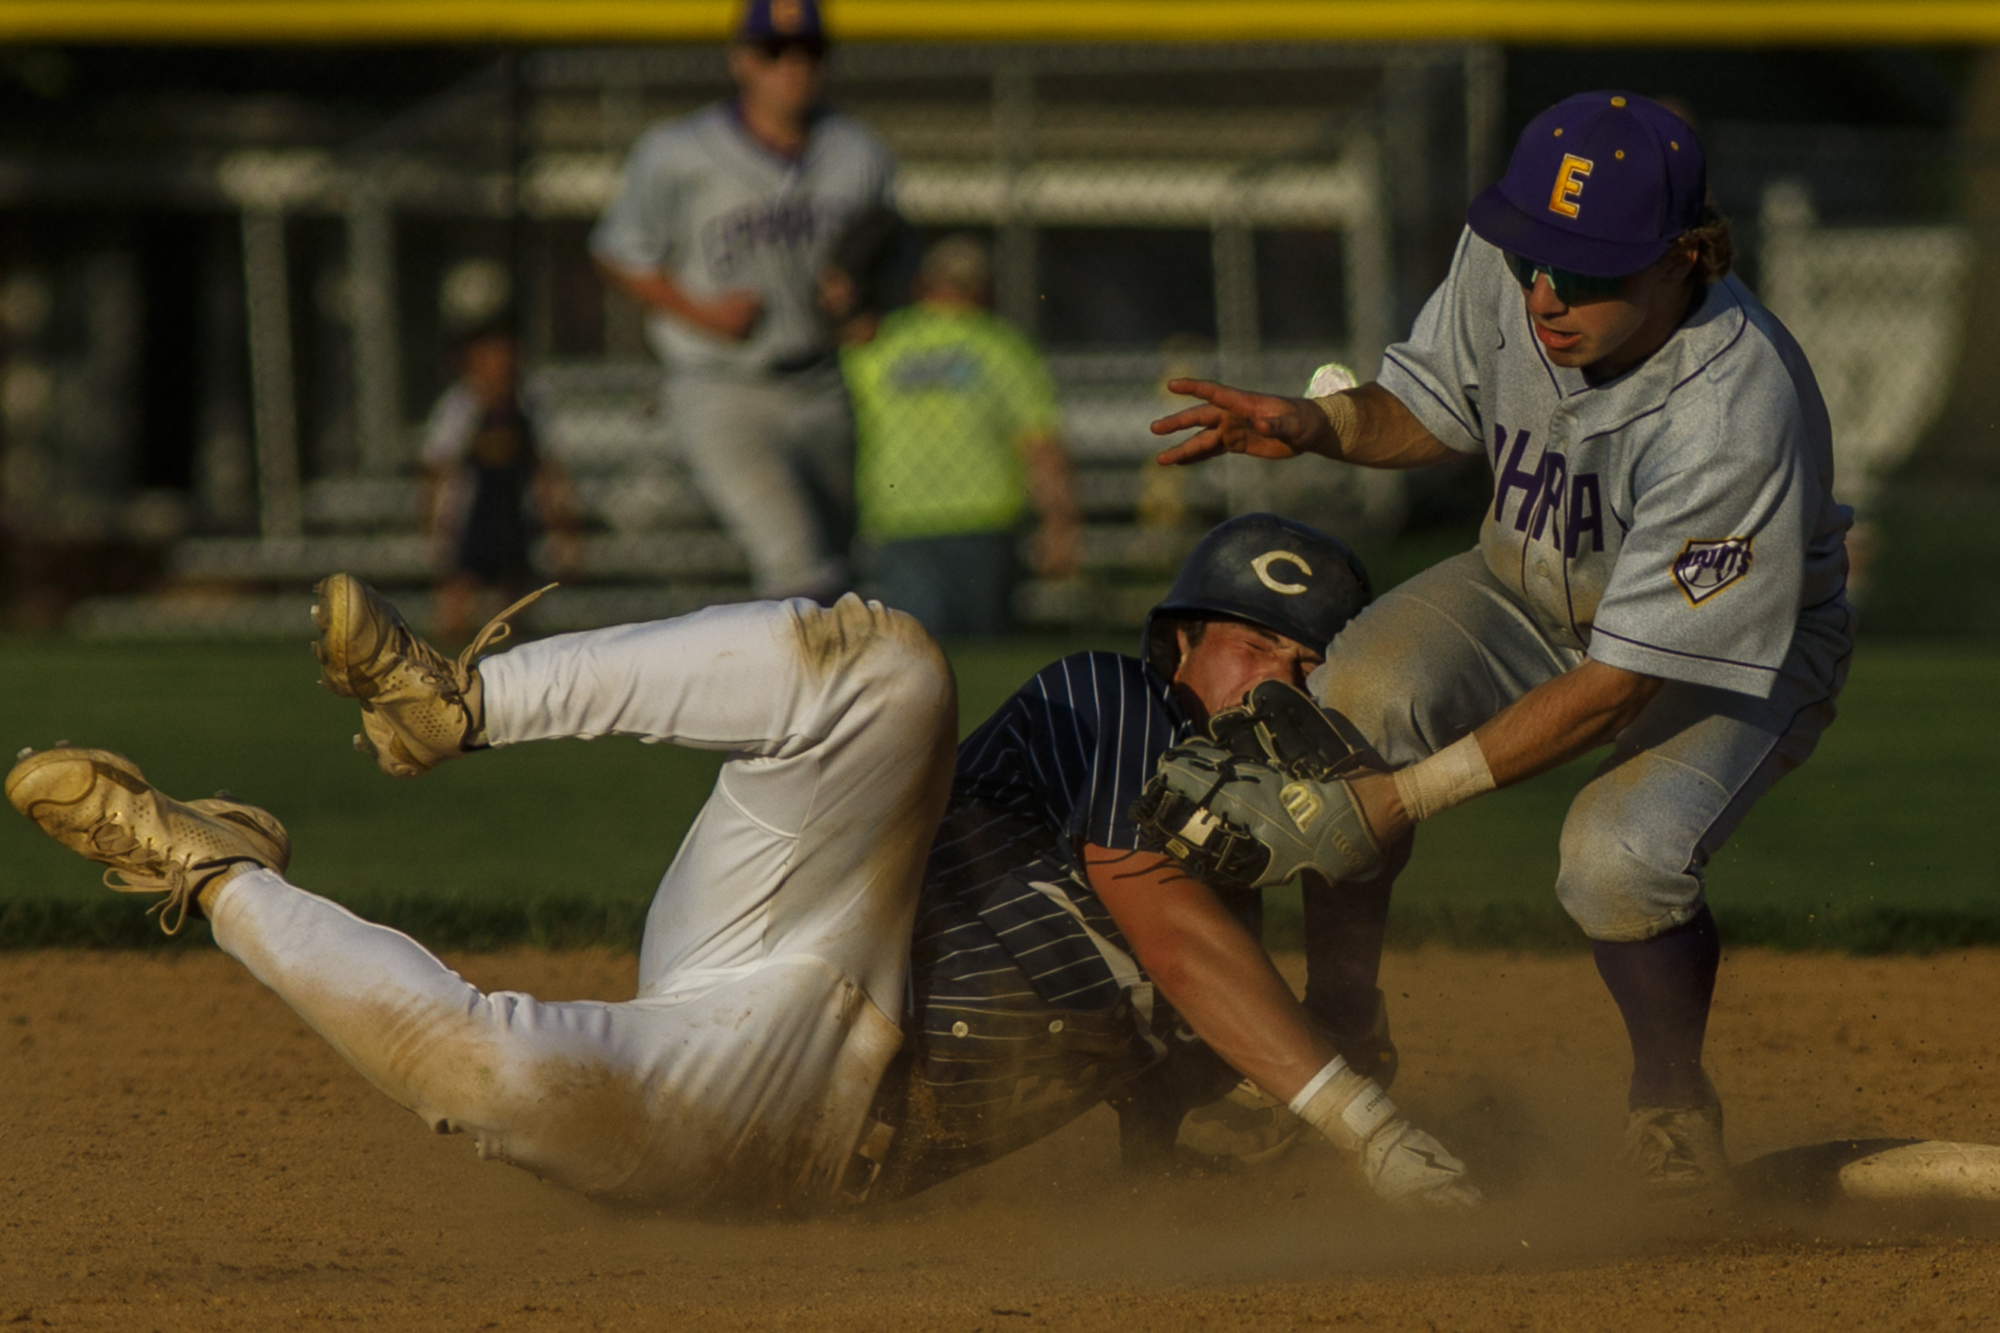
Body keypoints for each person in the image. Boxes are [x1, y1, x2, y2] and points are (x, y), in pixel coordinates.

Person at [7, 515, 1477, 1214]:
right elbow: (1162, 925)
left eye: (1306, 659)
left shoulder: (1247, 904)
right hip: (816, 927)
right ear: (1179, 643)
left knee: (484, 1075)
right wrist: (1358, 1113)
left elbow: (1167, 1069)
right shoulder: (1117, 704)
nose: (1275, 671)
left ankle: (212, 869)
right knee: (889, 662)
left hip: (797, 1116)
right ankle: (459, 704)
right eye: (1253, 643)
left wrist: (1278, 1080)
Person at [1149, 92, 1854, 1194]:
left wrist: (1399, 800)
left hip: (1723, 650)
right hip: (1522, 580)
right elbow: (1434, 406)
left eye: (1585, 271)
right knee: (1345, 712)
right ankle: (1337, 1031)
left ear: (1683, 258)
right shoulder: (1515, 256)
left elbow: (1619, 684)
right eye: (1534, 256)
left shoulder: (1733, 405)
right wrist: (1316, 423)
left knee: (1616, 858)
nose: (1542, 292)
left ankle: (1670, 1108)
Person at [589, 0, 895, 603]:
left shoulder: (859, 152)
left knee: (841, 564)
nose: (793, 66)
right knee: (793, 562)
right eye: (773, 51)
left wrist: (862, 297)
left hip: (822, 382)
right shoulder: (678, 152)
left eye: (808, 50)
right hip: (719, 384)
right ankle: (802, 694)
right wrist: (700, 312)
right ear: (741, 61)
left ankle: (835, 687)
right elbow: (619, 251)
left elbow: (889, 245)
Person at [844, 234, 1082, 636]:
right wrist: (1060, 526)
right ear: (984, 288)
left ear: (921, 284)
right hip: (983, 516)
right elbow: (1040, 445)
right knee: (982, 655)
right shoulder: (1001, 345)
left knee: (908, 653)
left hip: (899, 514)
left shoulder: (878, 344)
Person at [418, 317, 580, 642]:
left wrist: (561, 522)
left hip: (515, 511)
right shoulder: (461, 407)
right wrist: (435, 524)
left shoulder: (529, 404)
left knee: (514, 597)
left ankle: (508, 660)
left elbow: (547, 468)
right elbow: (437, 466)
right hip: (472, 514)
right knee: (459, 589)